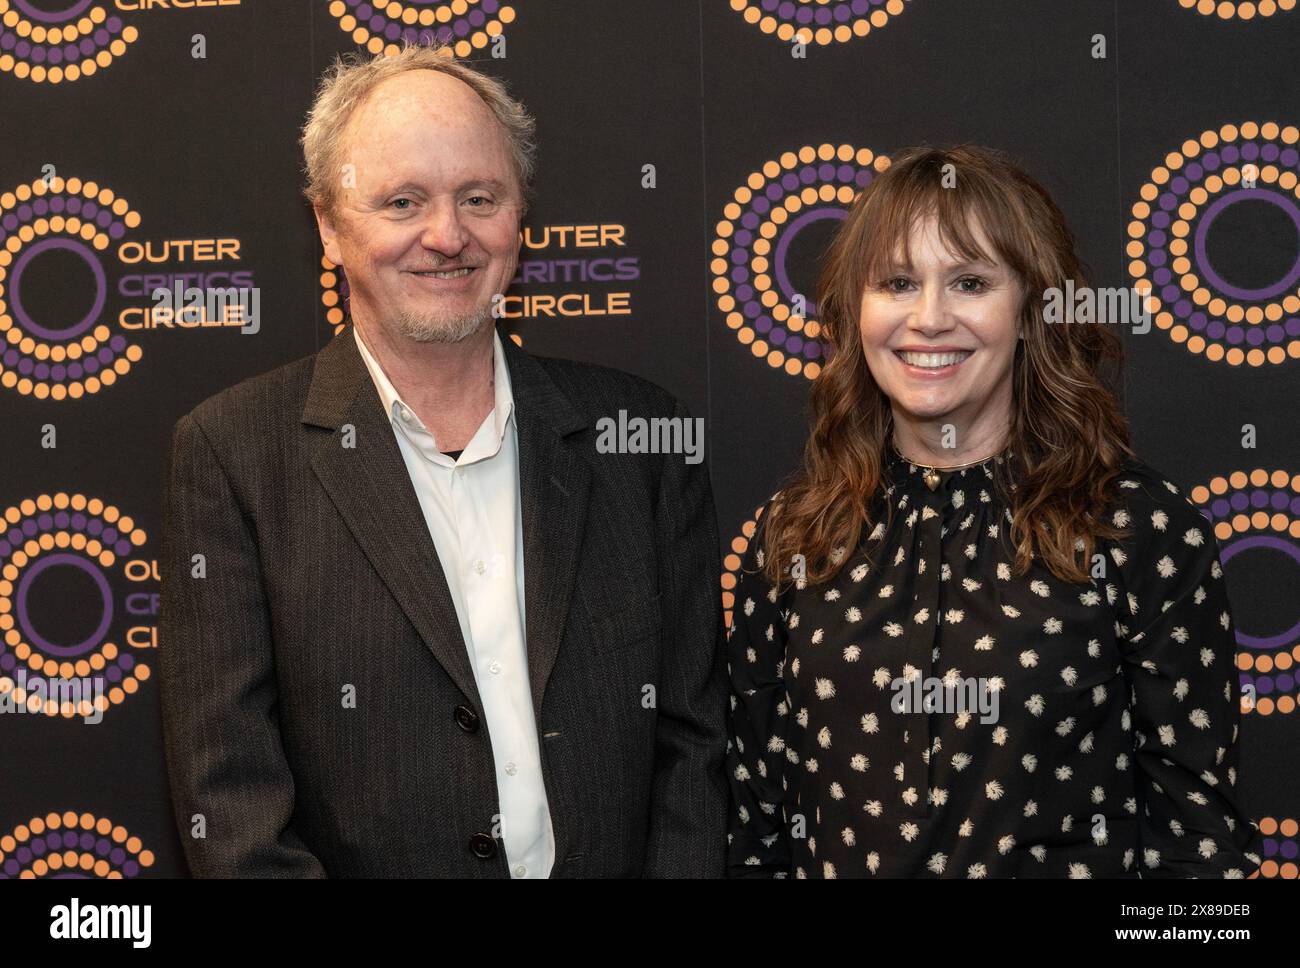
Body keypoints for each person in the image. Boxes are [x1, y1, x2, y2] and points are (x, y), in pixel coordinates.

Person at [158, 44, 727, 878]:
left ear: (520, 216)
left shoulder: (640, 436)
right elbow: (230, 799)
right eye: (402, 201)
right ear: (327, 224)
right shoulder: (232, 453)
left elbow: (694, 748)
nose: (447, 235)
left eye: (478, 197)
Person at [725, 144, 1264, 878]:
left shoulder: (1137, 528)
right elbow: (758, 831)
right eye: (896, 282)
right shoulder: (796, 533)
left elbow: (1201, 856)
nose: (929, 318)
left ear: (1031, 310)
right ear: (856, 311)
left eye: (970, 282)